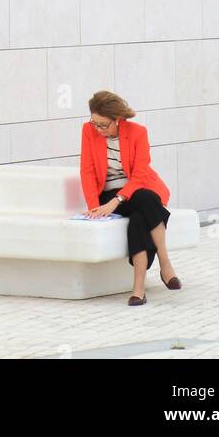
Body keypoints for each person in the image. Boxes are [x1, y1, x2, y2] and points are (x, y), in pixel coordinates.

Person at [79, 89, 181, 306]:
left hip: (134, 190)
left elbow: (141, 173)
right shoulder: (88, 131)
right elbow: (87, 170)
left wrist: (117, 200)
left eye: (103, 125)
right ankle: (165, 263)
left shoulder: (137, 132)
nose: (98, 129)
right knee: (148, 202)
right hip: (107, 196)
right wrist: (95, 207)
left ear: (118, 120)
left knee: (139, 218)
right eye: (94, 123)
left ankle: (138, 289)